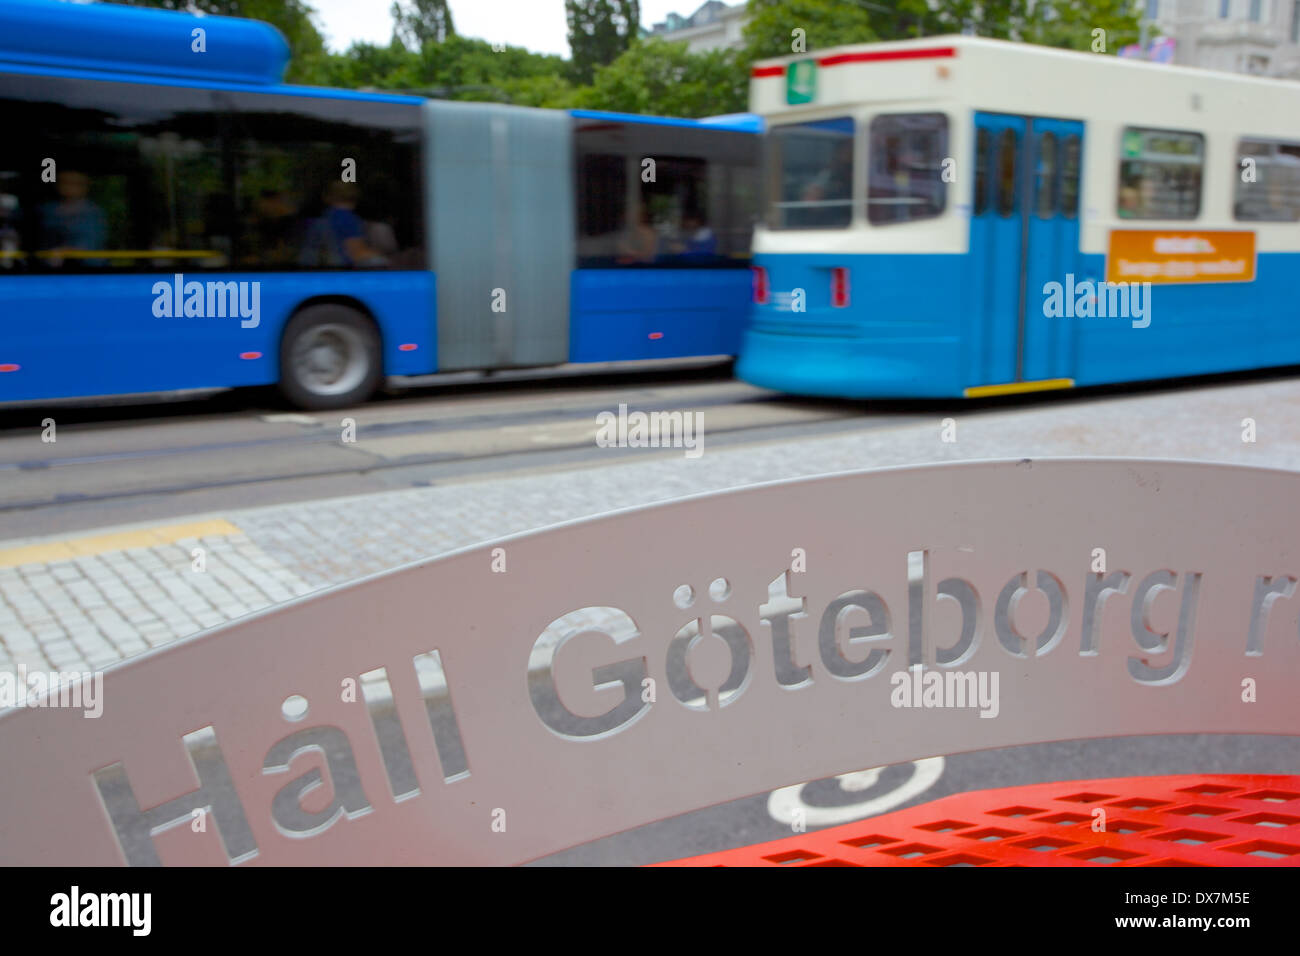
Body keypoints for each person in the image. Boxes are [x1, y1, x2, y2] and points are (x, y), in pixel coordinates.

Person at [40, 170, 106, 266]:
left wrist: (65, 251)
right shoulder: (47, 210)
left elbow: (91, 243)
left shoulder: (93, 212)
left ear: (84, 187)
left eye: (75, 184)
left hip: (88, 265)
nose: (69, 188)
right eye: (64, 182)